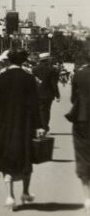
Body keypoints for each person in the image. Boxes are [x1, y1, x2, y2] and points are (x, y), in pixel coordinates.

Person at [0, 49, 45, 209]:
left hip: (3, 124)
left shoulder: (2, 77)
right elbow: (35, 104)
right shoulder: (29, 79)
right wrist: (39, 125)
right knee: (25, 156)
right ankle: (25, 192)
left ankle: (10, 196)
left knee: (7, 157)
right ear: (23, 61)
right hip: (23, 124)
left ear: (9, 61)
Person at [69, 55, 90, 213]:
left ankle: (88, 196)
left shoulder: (79, 74)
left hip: (83, 118)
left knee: (83, 155)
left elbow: (73, 99)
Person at [33, 53, 61, 134]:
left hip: (37, 93)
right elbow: (53, 83)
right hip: (48, 94)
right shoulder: (51, 70)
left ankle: (41, 127)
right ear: (47, 60)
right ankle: (45, 127)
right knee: (46, 111)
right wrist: (57, 95)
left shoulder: (35, 69)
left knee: (40, 110)